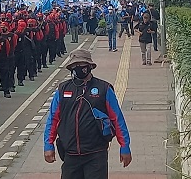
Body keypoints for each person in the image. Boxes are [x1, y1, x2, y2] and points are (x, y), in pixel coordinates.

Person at [43, 49, 132, 178]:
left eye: (82, 65)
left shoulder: (104, 89)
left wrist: (125, 146)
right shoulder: (63, 89)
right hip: (70, 154)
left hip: (96, 154)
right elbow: (53, 119)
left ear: (90, 66)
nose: (78, 68)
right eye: (75, 66)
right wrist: (48, 145)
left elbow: (117, 119)